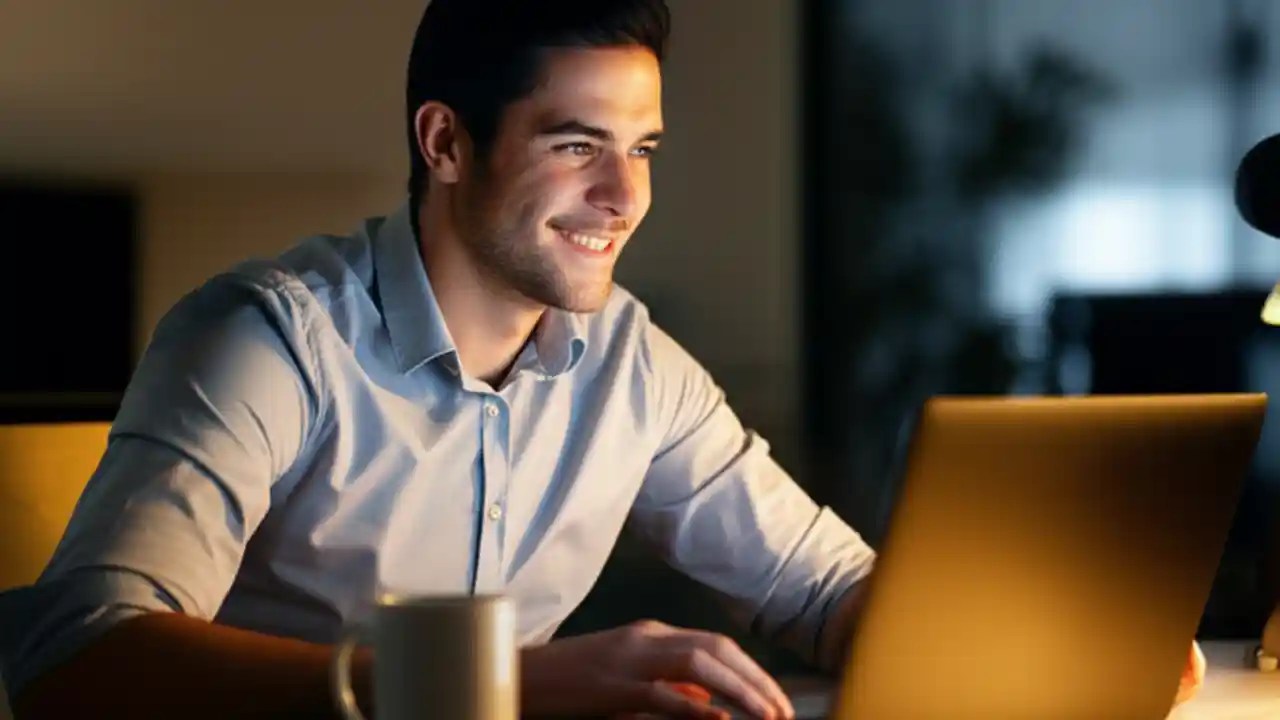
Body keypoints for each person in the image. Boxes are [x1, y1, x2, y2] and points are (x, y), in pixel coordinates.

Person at [0, 2, 1202, 718]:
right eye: (578, 144)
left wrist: (1066, 639)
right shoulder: (268, 336)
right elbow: (77, 657)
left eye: (643, 147)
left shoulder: (630, 363)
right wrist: (504, 687)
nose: (623, 195)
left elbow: (824, 594)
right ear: (446, 142)